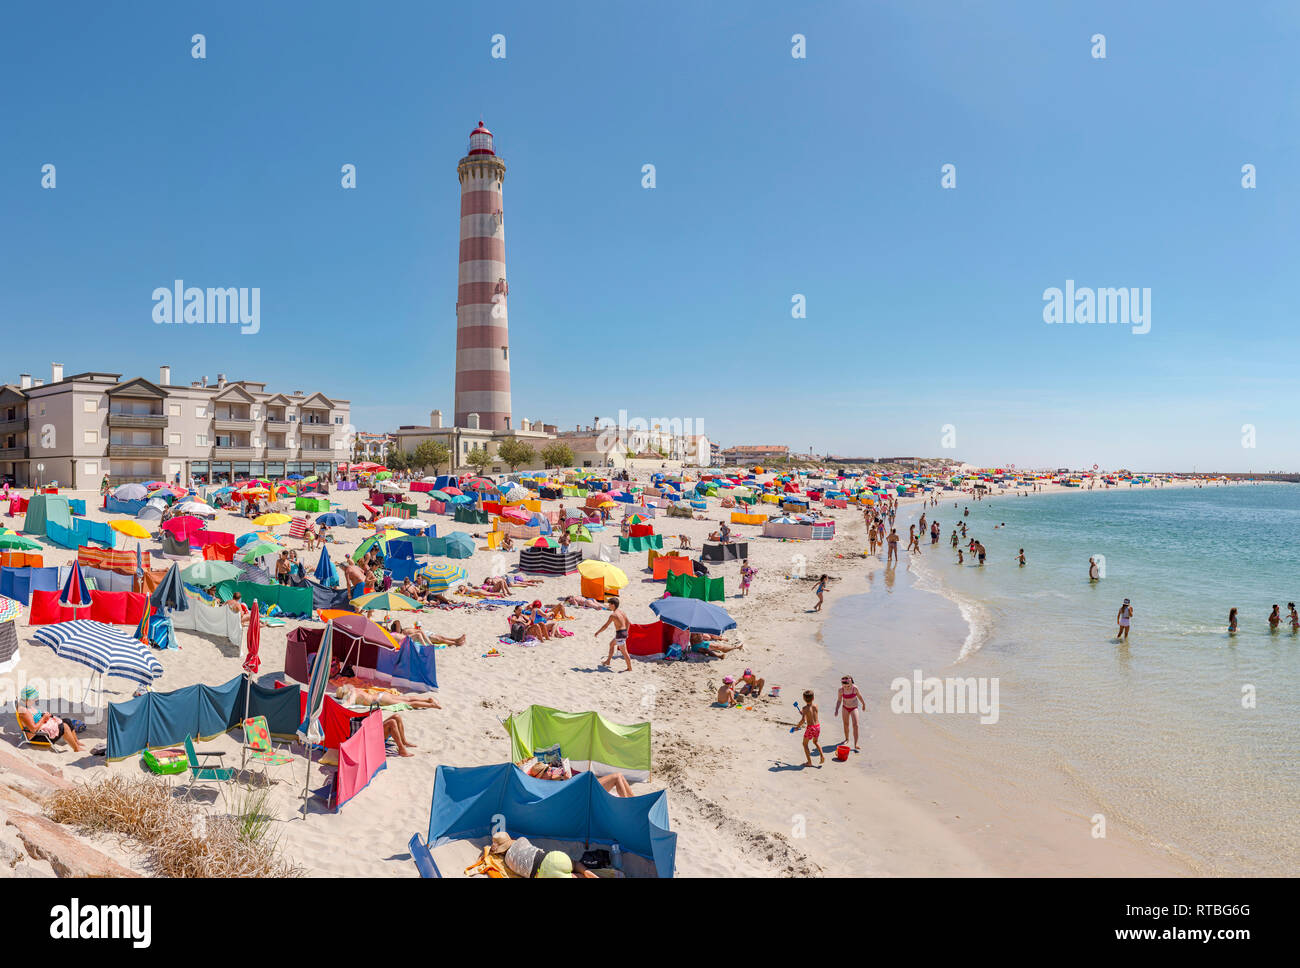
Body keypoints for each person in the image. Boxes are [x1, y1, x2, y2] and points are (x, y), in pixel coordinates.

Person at [16, 687, 82, 752]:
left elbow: (33, 718)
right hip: (37, 736)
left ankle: (76, 742)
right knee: (65, 727)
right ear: (27, 699)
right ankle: (76, 749)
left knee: (67, 721)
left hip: (41, 729)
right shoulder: (24, 711)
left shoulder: (25, 704)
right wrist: (44, 718)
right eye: (34, 698)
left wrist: (44, 715)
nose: (35, 700)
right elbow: (33, 729)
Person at [595, 595, 632, 671]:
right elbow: (628, 623)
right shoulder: (622, 612)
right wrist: (627, 632)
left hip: (620, 634)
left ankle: (629, 668)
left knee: (624, 652)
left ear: (613, 605)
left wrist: (598, 632)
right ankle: (608, 661)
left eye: (609, 604)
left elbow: (605, 626)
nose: (608, 606)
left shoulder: (613, 615)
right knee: (611, 644)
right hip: (623, 632)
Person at [335, 684, 440, 709]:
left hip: (380, 699)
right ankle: (427, 699)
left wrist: (339, 704)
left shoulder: (353, 694)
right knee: (407, 698)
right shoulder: (355, 689)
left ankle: (432, 705)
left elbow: (347, 704)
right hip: (382, 694)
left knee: (408, 704)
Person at [791, 690, 824, 767]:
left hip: (811, 728)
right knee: (815, 742)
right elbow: (812, 714)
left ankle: (809, 762)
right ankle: (822, 756)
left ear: (803, 698)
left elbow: (803, 720)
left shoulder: (804, 708)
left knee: (805, 744)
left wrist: (797, 727)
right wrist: (805, 713)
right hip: (818, 727)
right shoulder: (816, 706)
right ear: (813, 698)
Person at [834, 675, 862, 751]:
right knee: (846, 724)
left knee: (855, 725)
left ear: (852, 683)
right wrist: (836, 709)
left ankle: (856, 743)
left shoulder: (855, 688)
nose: (846, 688)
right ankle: (847, 739)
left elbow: (859, 696)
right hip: (845, 708)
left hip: (854, 708)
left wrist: (863, 704)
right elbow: (839, 700)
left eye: (848, 686)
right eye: (845, 686)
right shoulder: (841, 690)